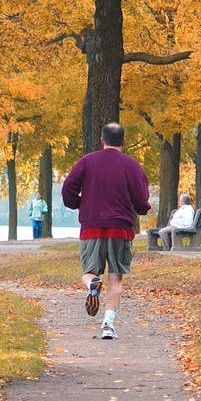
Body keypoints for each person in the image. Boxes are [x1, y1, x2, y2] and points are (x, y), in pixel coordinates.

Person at [61, 122, 150, 341]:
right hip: (120, 228)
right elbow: (141, 199)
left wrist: (79, 203)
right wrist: (141, 209)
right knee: (115, 278)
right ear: (124, 141)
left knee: (89, 271)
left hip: (91, 226)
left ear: (102, 140)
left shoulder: (87, 162)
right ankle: (108, 325)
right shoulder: (132, 166)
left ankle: (92, 284)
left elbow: (68, 189)